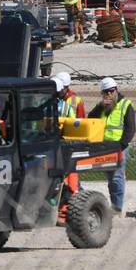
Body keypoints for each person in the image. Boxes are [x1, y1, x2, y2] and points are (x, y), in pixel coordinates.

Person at [86, 76, 136, 212]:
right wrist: (101, 106)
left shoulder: (125, 105)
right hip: (104, 146)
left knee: (116, 177)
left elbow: (131, 128)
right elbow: (90, 119)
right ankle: (114, 204)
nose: (109, 94)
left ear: (116, 90)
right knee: (110, 177)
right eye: (106, 92)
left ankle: (117, 207)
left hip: (118, 147)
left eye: (111, 91)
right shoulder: (102, 106)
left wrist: (121, 145)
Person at [54, 73, 87, 205]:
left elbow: (82, 121)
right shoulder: (55, 99)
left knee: (71, 174)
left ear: (66, 87)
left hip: (71, 141)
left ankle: (78, 198)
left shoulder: (75, 101)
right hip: (58, 140)